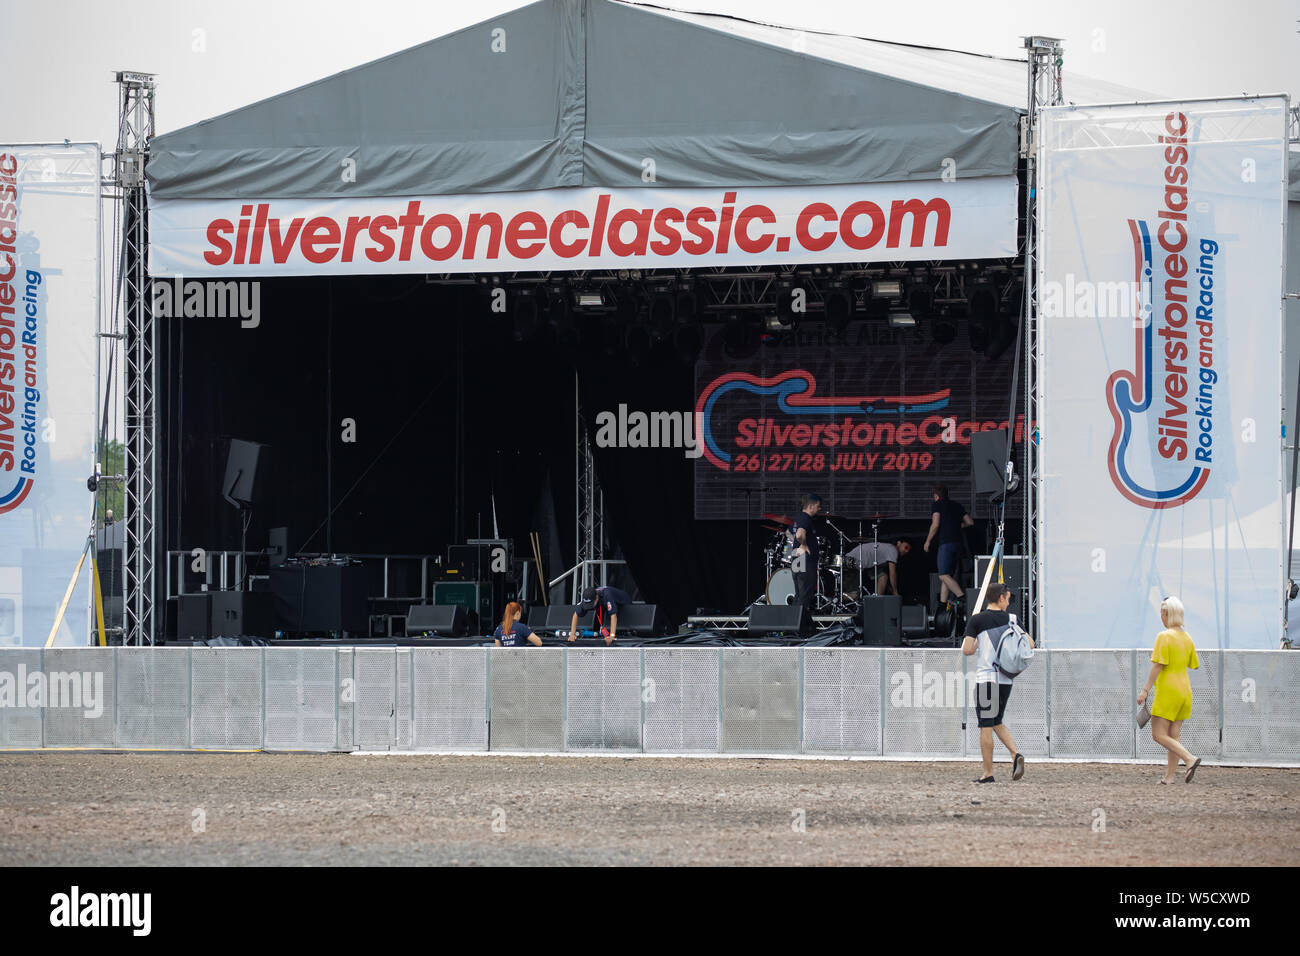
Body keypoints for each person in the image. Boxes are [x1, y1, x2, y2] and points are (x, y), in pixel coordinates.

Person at [962, 583, 1032, 783]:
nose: (1008, 603)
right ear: (1000, 598)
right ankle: (1015, 754)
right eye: (1008, 598)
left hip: (986, 678)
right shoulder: (1012, 620)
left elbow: (967, 650)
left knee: (986, 725)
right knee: (996, 721)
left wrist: (977, 641)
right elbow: (1030, 643)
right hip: (1006, 679)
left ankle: (988, 773)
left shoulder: (977, 620)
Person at [1138, 596, 1203, 784]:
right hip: (1184, 691)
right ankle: (1169, 777)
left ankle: (1189, 759)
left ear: (1166, 614)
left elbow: (1158, 666)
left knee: (1158, 735)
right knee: (1174, 736)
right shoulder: (1187, 637)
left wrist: (1145, 690)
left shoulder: (1164, 636)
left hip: (1168, 691)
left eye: (1161, 613)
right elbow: (1194, 664)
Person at [924, 484, 973, 609]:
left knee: (943, 575)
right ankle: (942, 605)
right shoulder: (957, 505)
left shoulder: (937, 504)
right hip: (958, 544)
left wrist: (928, 541)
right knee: (947, 576)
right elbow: (970, 522)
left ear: (936, 495)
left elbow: (935, 524)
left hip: (946, 543)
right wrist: (956, 526)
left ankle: (962, 598)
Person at [846, 537, 911, 597]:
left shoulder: (886, 550)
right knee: (854, 595)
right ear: (899, 543)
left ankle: (877, 600)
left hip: (861, 563)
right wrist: (895, 592)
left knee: (883, 576)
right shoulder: (893, 550)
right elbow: (892, 573)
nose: (906, 551)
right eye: (906, 547)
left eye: (908, 550)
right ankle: (837, 597)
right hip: (853, 561)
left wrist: (890, 588)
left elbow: (878, 571)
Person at [791, 493, 822, 612]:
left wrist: (798, 546)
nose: (819, 509)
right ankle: (796, 628)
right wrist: (803, 545)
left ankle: (791, 626)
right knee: (804, 596)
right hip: (804, 561)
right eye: (818, 506)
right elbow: (799, 534)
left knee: (799, 595)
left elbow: (790, 533)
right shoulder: (805, 519)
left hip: (797, 559)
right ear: (811, 506)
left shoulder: (798, 519)